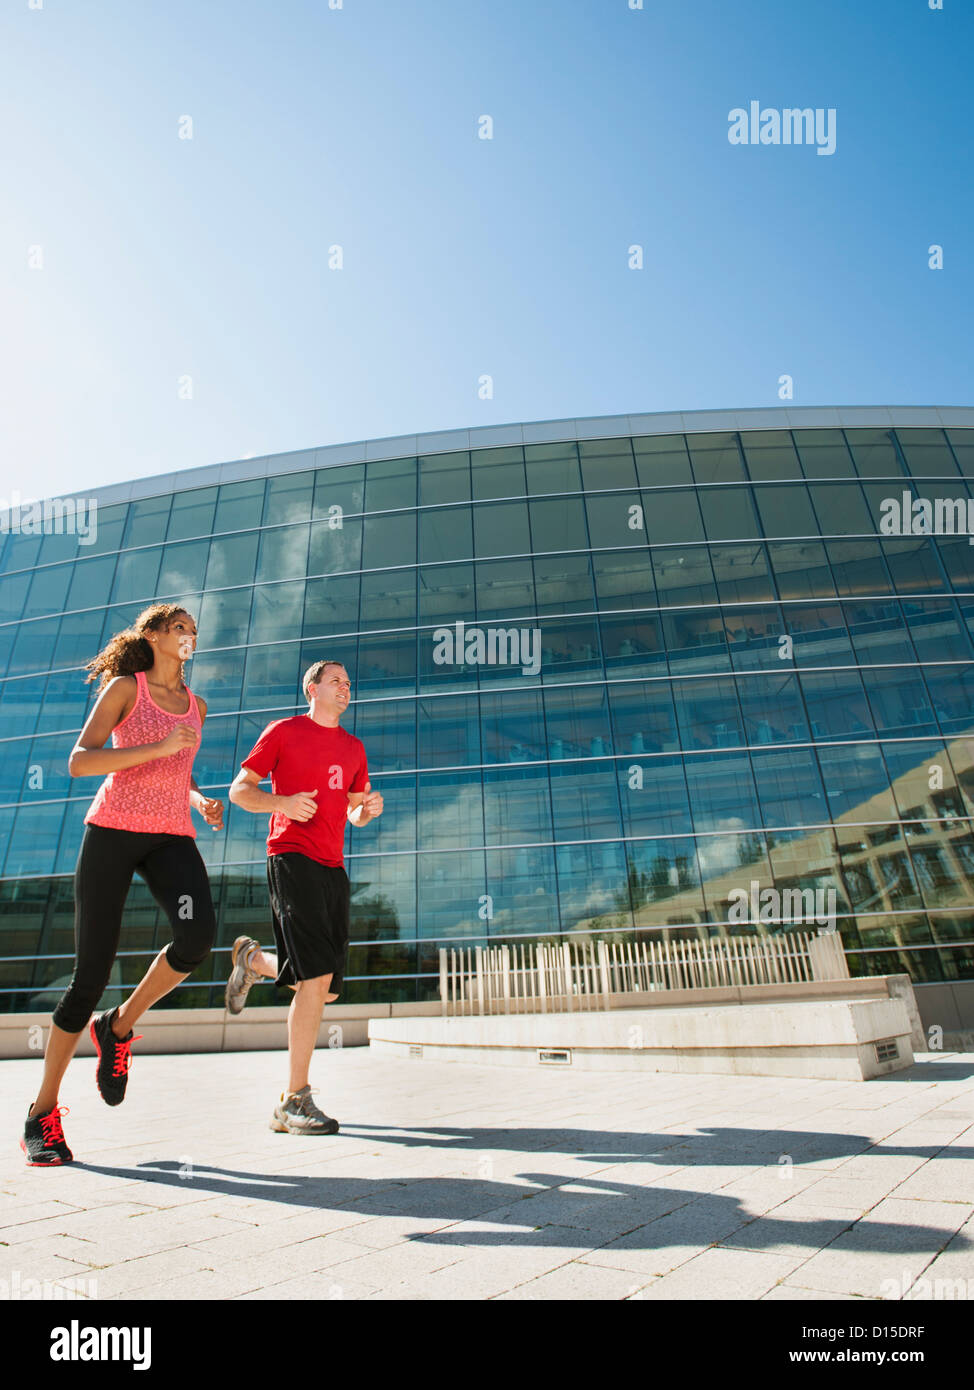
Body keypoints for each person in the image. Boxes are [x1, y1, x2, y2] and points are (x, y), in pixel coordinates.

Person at [21, 604, 223, 1166]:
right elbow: (80, 762)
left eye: (193, 631)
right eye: (179, 627)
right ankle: (42, 1115)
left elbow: (171, 771)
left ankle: (118, 1027)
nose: (189, 635)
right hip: (111, 832)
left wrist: (196, 797)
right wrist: (159, 748)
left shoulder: (197, 707)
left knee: (197, 936)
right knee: (88, 978)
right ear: (154, 635)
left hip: (168, 838)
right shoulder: (123, 689)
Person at [225, 659, 382, 1134]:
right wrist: (283, 803)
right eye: (336, 681)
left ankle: (254, 963)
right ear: (311, 688)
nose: (345, 688)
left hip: (333, 867)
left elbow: (354, 811)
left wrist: (366, 811)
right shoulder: (284, 731)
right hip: (291, 857)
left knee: (324, 987)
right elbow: (239, 791)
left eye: (349, 683)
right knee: (314, 980)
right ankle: (294, 1100)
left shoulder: (354, 748)